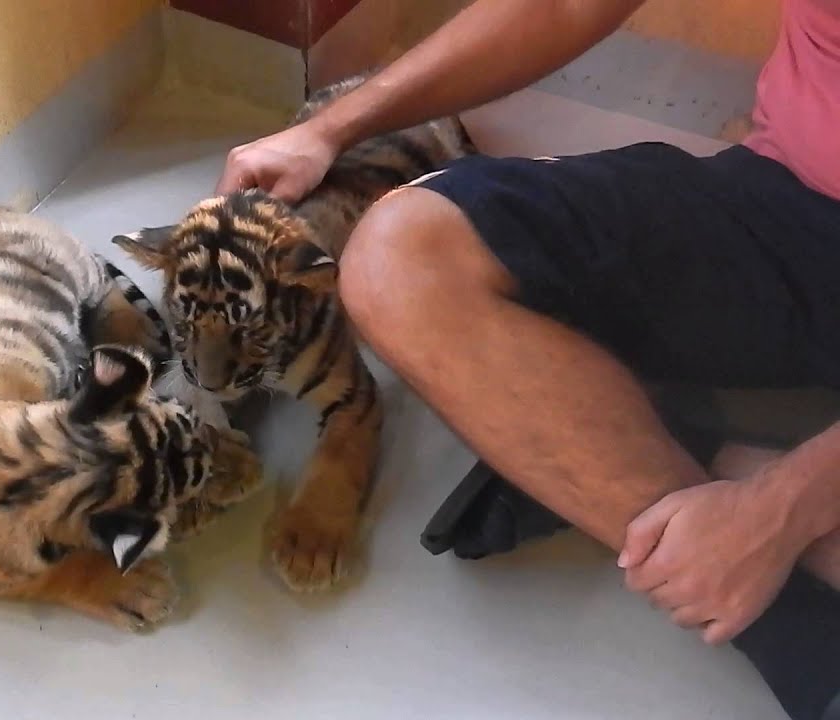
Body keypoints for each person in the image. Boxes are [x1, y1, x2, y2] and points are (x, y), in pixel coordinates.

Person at [214, 0, 840, 718]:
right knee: (401, 260)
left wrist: (784, 506)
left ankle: (658, 463)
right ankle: (789, 628)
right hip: (787, 206)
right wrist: (327, 129)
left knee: (764, 500)